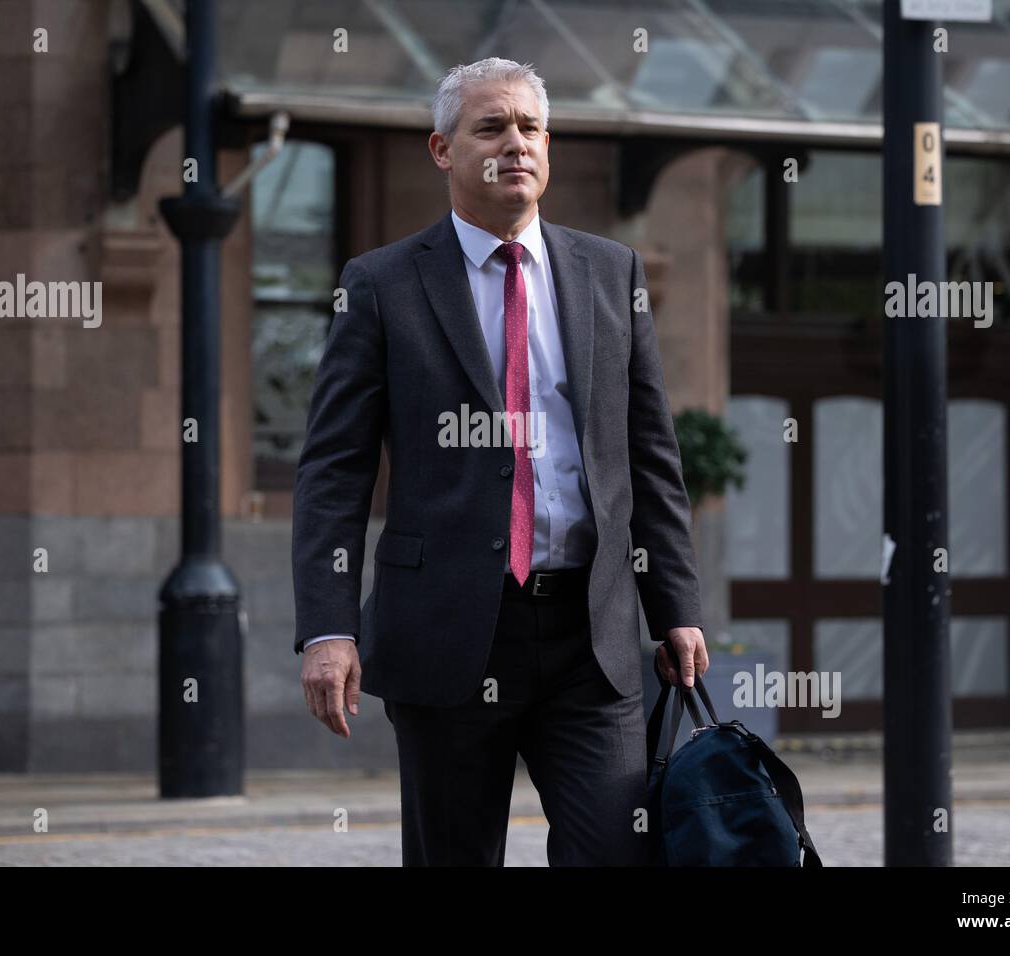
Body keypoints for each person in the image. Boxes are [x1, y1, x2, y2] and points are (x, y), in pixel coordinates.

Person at [292, 57, 708, 866]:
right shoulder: (381, 285)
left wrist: (677, 606)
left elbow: (650, 455)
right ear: (443, 151)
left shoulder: (609, 273)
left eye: (530, 128)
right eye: (491, 128)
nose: (515, 143)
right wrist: (328, 628)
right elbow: (333, 470)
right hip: (448, 634)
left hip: (593, 638)